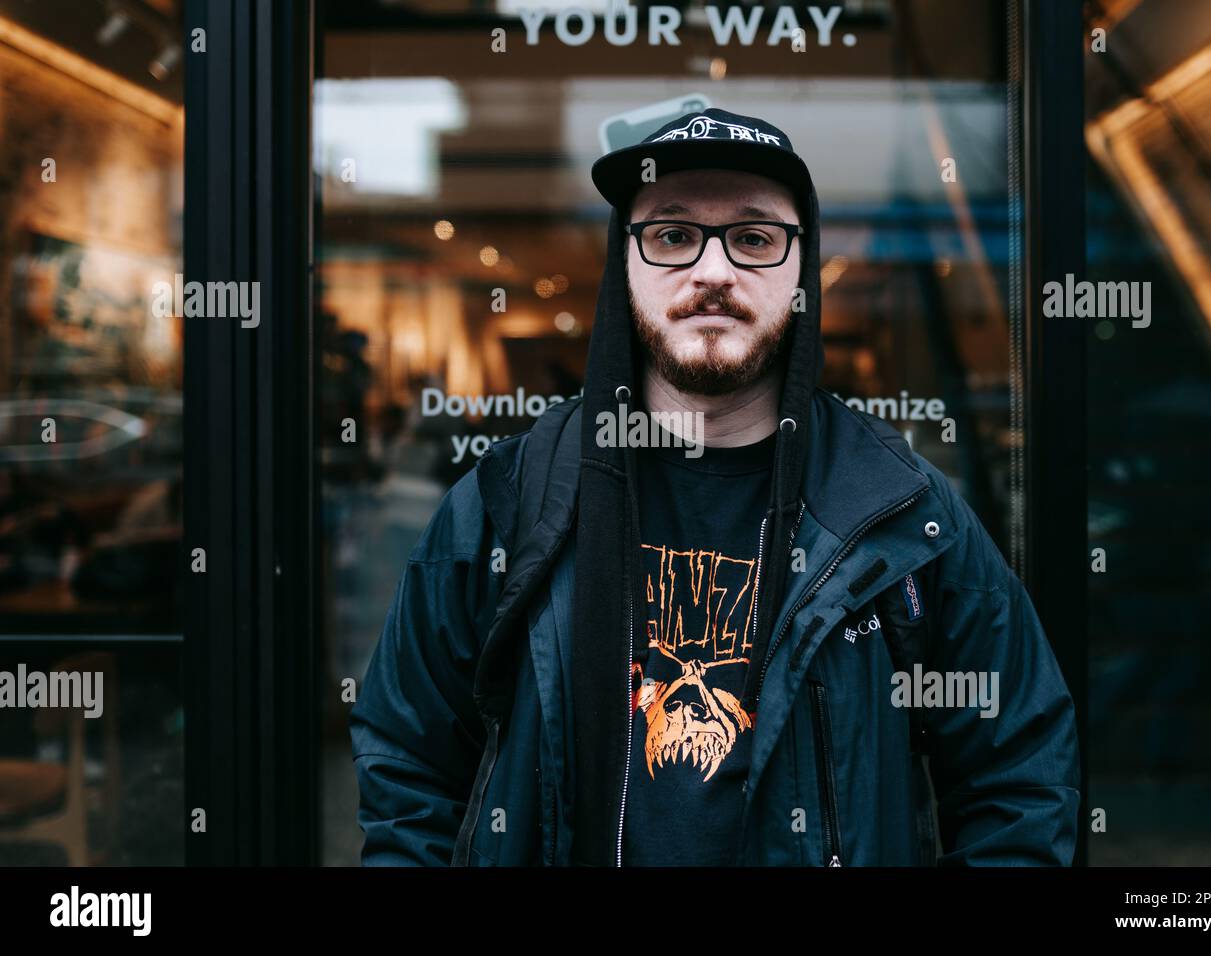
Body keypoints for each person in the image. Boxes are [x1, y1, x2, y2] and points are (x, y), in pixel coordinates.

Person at [350, 107, 1080, 866]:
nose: (712, 272)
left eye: (754, 238)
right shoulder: (508, 502)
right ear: (623, 262)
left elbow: (1018, 777)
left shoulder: (900, 514)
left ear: (802, 265)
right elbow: (410, 766)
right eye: (671, 235)